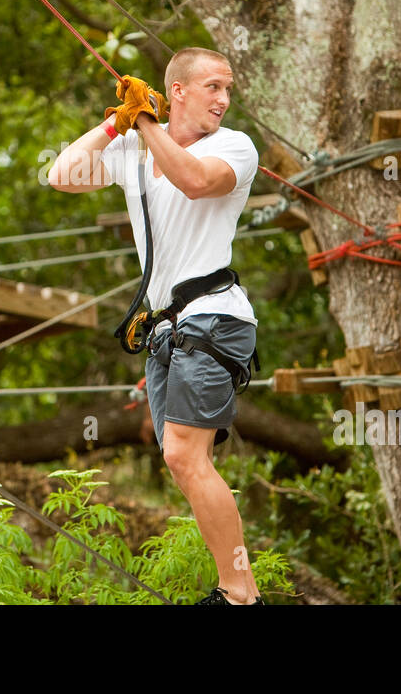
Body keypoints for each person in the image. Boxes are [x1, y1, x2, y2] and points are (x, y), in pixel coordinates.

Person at [47, 47, 263, 605]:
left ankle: (240, 592)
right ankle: (236, 588)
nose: (224, 99)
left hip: (215, 317)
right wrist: (114, 122)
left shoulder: (234, 147)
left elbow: (192, 180)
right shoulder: (135, 147)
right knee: (178, 457)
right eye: (214, 87)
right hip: (168, 328)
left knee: (186, 455)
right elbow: (61, 175)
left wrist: (144, 122)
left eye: (228, 89)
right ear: (180, 92)